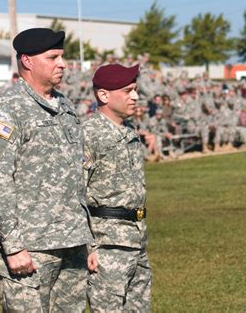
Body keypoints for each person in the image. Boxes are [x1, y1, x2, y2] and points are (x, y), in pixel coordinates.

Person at [0, 27, 94, 312]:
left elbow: (77, 176)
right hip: (31, 246)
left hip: (72, 241)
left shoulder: (65, 106)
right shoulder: (7, 109)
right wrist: (13, 245)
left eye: (62, 56)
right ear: (27, 61)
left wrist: (88, 239)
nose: (62, 63)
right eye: (53, 57)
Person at [84, 63, 152, 312]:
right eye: (127, 91)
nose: (135, 96)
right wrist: (88, 247)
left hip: (136, 239)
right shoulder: (89, 134)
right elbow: (76, 194)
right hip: (107, 245)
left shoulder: (129, 131)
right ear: (103, 95)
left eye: (135, 90)